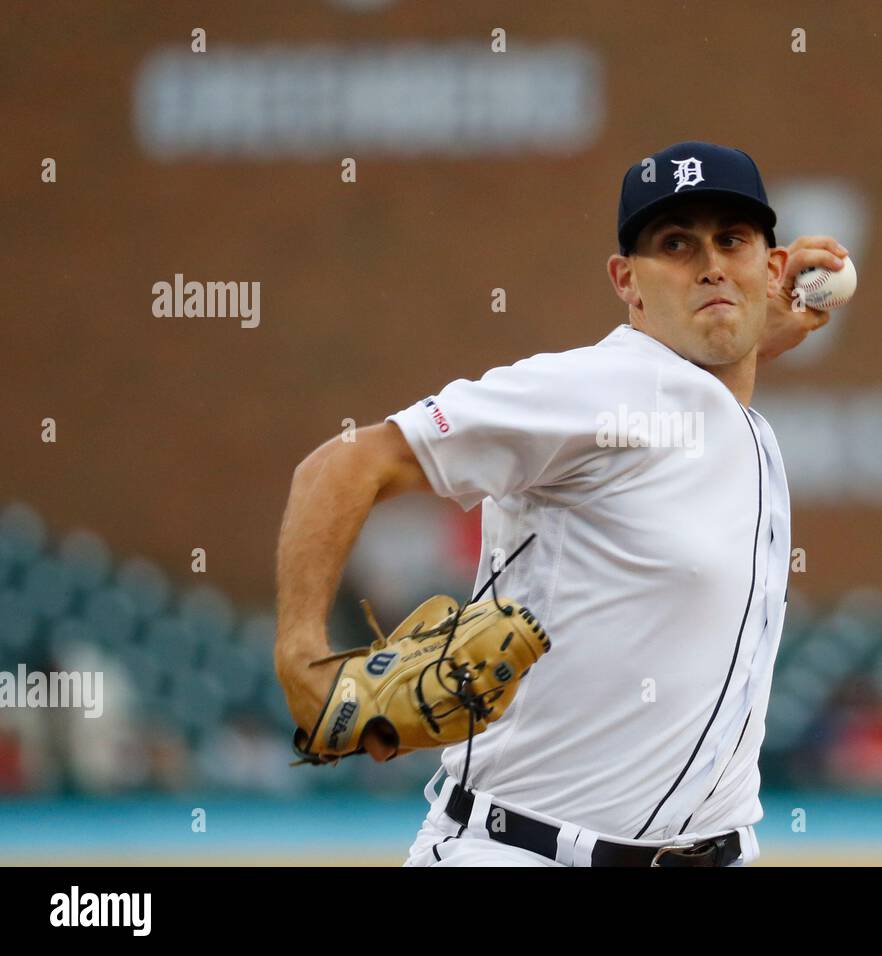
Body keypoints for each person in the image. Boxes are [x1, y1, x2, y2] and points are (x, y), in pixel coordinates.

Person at [274, 141, 850, 866]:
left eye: (731, 240)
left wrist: (758, 331)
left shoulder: (723, 413)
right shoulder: (589, 388)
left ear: (770, 268)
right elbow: (345, 463)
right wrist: (301, 652)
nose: (708, 262)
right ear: (626, 281)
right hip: (521, 850)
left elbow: (693, 401)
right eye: (675, 244)